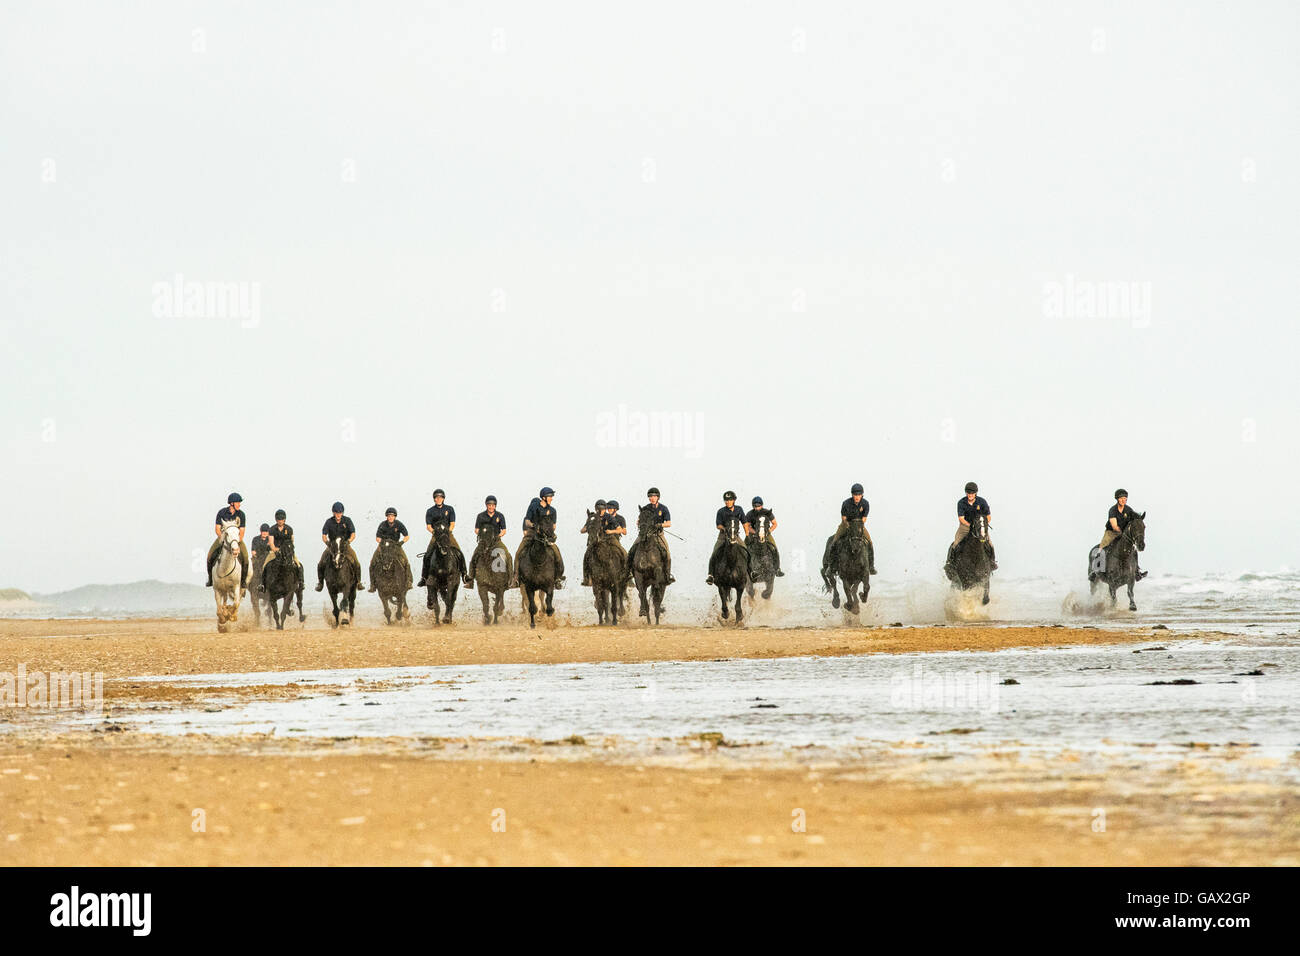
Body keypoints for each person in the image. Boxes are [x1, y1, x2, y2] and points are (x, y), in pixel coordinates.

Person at [821, 483, 877, 576]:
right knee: (834, 541)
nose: (857, 497)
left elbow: (864, 519)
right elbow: (843, 518)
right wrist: (849, 526)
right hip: (846, 524)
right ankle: (831, 566)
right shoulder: (846, 503)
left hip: (859, 525)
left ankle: (871, 566)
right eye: (855, 495)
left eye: (859, 495)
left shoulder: (865, 504)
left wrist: (857, 526)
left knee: (870, 542)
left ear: (862, 495)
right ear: (852, 495)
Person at [514, 487, 565, 588]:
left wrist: (548, 529)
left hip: (546, 536)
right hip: (532, 534)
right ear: (543, 497)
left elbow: (554, 525)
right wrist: (535, 526)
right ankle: (516, 577)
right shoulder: (533, 507)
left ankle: (558, 578)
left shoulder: (553, 510)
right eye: (550, 497)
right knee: (518, 553)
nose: (552, 498)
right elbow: (527, 521)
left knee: (557, 554)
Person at [420, 489, 469, 587]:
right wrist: (435, 532)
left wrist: (448, 532)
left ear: (443, 498)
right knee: (428, 554)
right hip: (436, 535)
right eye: (436, 497)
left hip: (448, 534)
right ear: (434, 499)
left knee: (458, 552)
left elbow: (452, 523)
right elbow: (428, 526)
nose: (438, 499)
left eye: (440, 497)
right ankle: (424, 578)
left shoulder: (450, 509)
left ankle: (464, 574)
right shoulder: (430, 511)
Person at [945, 482, 998, 571]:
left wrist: (982, 525)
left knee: (990, 544)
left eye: (972, 493)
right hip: (965, 526)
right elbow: (961, 518)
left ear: (975, 493)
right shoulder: (961, 503)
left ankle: (992, 562)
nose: (970, 495)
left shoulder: (982, 502)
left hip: (980, 527)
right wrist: (971, 525)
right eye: (968, 493)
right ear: (966, 493)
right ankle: (950, 563)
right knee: (956, 543)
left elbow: (988, 516)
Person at [628, 487, 675, 584]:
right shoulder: (645, 508)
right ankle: (628, 573)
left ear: (658, 497)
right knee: (632, 549)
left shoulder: (663, 508)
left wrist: (659, 525)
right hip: (645, 534)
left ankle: (667, 575)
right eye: (650, 496)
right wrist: (641, 524)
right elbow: (638, 521)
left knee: (667, 554)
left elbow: (669, 523)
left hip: (658, 534)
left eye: (654, 496)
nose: (652, 498)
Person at [1099, 488, 1147, 579]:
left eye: (1125, 498)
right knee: (1102, 549)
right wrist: (1121, 532)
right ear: (1117, 499)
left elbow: (1134, 521)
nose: (1123, 500)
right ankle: (1096, 571)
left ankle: (1137, 572)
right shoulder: (1113, 510)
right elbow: (1114, 526)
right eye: (1121, 498)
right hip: (1111, 532)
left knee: (1134, 550)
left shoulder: (1129, 510)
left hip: (1124, 534)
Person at [315, 502, 363, 591]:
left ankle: (358, 582)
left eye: (340, 512)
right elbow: (324, 535)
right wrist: (327, 543)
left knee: (356, 561)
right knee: (321, 562)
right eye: (336, 513)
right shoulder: (329, 522)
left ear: (342, 513)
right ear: (333, 513)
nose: (338, 514)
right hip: (332, 546)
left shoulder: (347, 520)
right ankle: (320, 583)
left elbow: (353, 534)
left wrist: (349, 541)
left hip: (345, 546)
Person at [206, 492, 249, 589]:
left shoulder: (241, 514)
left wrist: (236, 543)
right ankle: (210, 579)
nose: (239, 504)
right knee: (209, 556)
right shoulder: (221, 513)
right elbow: (217, 529)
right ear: (232, 503)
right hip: (223, 538)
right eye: (238, 502)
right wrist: (223, 539)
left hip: (236, 540)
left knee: (245, 558)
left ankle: (243, 582)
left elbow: (242, 532)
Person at [465, 495, 510, 587]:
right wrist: (483, 535)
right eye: (489, 505)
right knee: (475, 556)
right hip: (484, 541)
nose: (491, 507)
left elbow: (504, 530)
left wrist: (497, 536)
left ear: (495, 506)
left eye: (493, 505)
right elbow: (476, 530)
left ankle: (511, 580)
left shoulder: (500, 516)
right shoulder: (480, 516)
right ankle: (470, 581)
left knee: (507, 556)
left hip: (496, 541)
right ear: (486, 505)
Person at [706, 491, 748, 586]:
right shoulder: (721, 511)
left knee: (745, 550)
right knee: (715, 552)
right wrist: (724, 529)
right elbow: (718, 525)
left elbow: (744, 522)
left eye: (730, 500)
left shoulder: (739, 509)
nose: (727, 502)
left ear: (734, 500)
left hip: (735, 536)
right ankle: (711, 575)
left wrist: (747, 534)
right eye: (726, 500)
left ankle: (751, 572)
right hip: (723, 536)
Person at [259, 509, 304, 592]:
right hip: (275, 551)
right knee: (265, 565)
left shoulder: (289, 529)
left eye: (282, 519)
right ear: (276, 520)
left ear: (284, 519)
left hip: (287, 551)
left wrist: (288, 549)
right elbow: (271, 543)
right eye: (279, 519)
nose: (280, 521)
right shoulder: (272, 529)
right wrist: (276, 550)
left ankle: (301, 582)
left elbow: (292, 541)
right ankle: (262, 585)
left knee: (299, 565)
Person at [369, 507, 412, 592]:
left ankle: (408, 581)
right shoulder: (382, 525)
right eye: (389, 516)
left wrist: (401, 542)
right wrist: (383, 542)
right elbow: (377, 537)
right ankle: (373, 584)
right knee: (373, 562)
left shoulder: (399, 524)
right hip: (383, 546)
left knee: (405, 561)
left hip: (396, 546)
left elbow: (407, 536)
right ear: (386, 517)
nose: (390, 517)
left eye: (392, 516)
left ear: (395, 517)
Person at [745, 495, 785, 580]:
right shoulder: (750, 514)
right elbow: (747, 526)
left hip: (766, 533)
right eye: (755, 506)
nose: (757, 507)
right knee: (744, 548)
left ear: (762, 505)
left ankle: (777, 569)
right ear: (753, 506)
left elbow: (775, 524)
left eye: (759, 506)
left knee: (774, 548)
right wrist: (755, 532)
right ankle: (745, 569)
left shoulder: (767, 512)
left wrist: (768, 531)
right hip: (753, 534)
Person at [580, 499, 608, 587]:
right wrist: (589, 526)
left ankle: (626, 574)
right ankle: (586, 578)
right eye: (598, 508)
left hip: (606, 540)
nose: (600, 510)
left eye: (602, 508)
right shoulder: (592, 517)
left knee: (620, 551)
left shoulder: (608, 517)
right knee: (586, 556)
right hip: (593, 542)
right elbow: (582, 530)